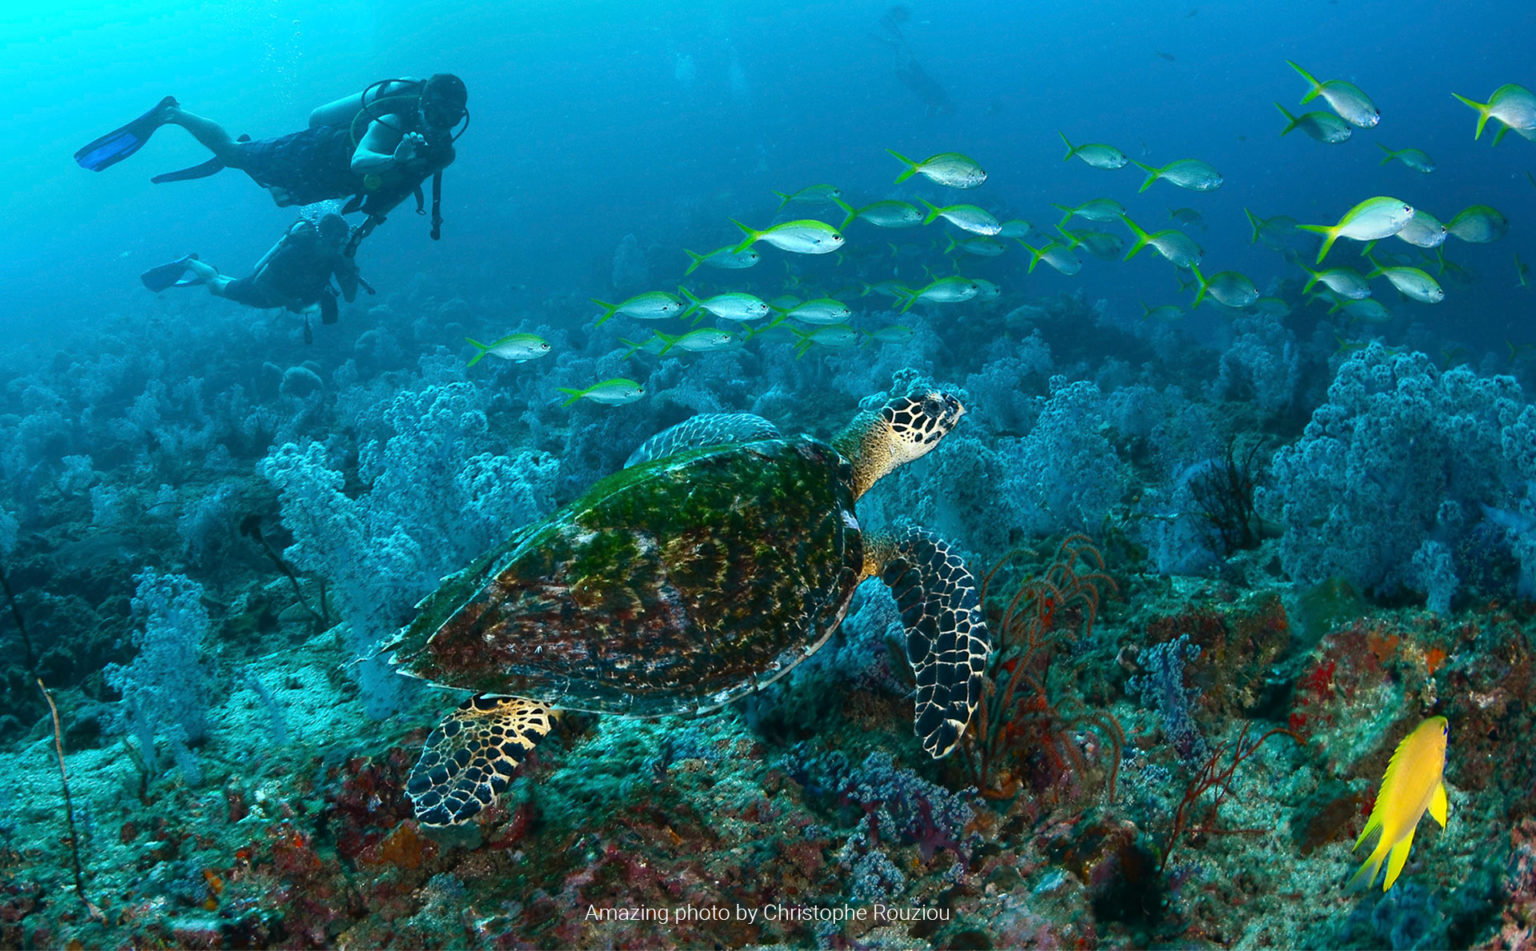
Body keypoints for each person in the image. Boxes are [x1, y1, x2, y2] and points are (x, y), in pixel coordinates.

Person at [76, 75, 468, 237]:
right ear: (422, 104)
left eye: (449, 118)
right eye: (435, 112)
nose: (439, 123)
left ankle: (253, 159)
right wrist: (395, 158)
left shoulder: (442, 152)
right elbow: (360, 161)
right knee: (231, 153)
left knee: (281, 197)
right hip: (311, 153)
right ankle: (173, 113)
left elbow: (405, 187)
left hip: (331, 181)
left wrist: (368, 226)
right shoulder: (393, 119)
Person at [140, 213, 361, 326]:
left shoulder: (337, 259)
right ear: (321, 237)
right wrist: (289, 302)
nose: (336, 248)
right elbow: (259, 282)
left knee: (226, 281)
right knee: (215, 286)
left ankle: (208, 272)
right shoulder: (295, 252)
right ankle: (189, 263)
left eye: (340, 244)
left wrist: (349, 265)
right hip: (258, 292)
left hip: (275, 295)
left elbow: (350, 297)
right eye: (333, 243)